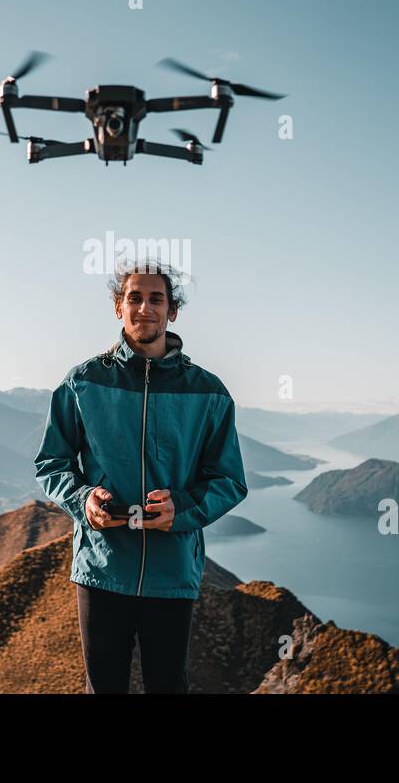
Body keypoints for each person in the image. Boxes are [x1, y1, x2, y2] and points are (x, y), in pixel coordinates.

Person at [33, 257, 248, 693]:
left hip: (171, 575)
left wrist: (181, 509)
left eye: (156, 299)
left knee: (168, 686)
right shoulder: (83, 382)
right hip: (101, 567)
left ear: (173, 311)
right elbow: (52, 464)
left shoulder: (208, 392)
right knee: (104, 687)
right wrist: (83, 500)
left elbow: (229, 480)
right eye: (134, 297)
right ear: (118, 306)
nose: (144, 308)